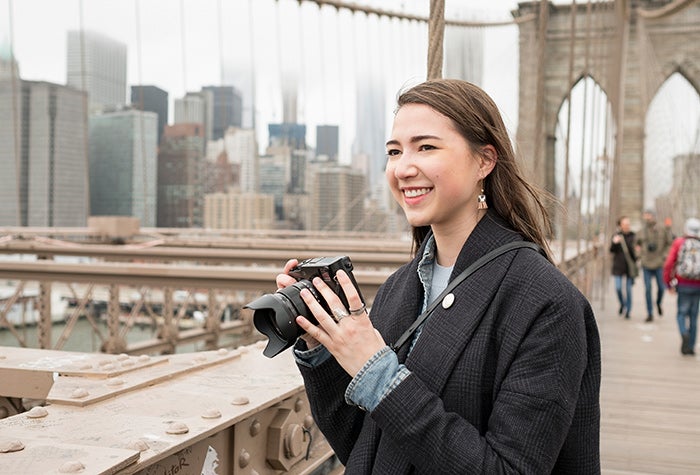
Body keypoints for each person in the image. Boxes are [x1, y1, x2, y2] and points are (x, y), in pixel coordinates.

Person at [275, 79, 601, 473]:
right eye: (394, 152)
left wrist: (378, 371)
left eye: (426, 147)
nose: (403, 168)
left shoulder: (547, 303)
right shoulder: (401, 287)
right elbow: (364, 448)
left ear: (485, 161)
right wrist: (323, 346)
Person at [663, 217, 700, 356]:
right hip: (698, 286)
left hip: (683, 284)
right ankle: (690, 347)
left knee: (681, 313)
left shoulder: (679, 242)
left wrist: (668, 283)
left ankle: (684, 332)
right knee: (694, 316)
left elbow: (669, 264)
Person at [636, 209, 673, 322]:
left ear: (654, 216)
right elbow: (636, 245)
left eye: (649, 215)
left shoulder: (662, 229)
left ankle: (658, 303)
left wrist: (664, 256)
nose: (647, 218)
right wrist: (640, 255)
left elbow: (669, 244)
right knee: (648, 289)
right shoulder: (641, 231)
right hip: (646, 263)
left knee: (661, 288)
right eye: (645, 215)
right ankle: (650, 313)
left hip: (659, 263)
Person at [610, 216, 637, 319]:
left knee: (629, 290)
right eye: (625, 224)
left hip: (629, 267)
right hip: (618, 266)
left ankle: (628, 311)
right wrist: (615, 242)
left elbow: (635, 252)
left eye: (628, 224)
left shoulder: (633, 236)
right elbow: (611, 250)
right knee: (618, 288)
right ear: (620, 225)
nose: (627, 226)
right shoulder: (616, 235)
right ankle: (622, 304)